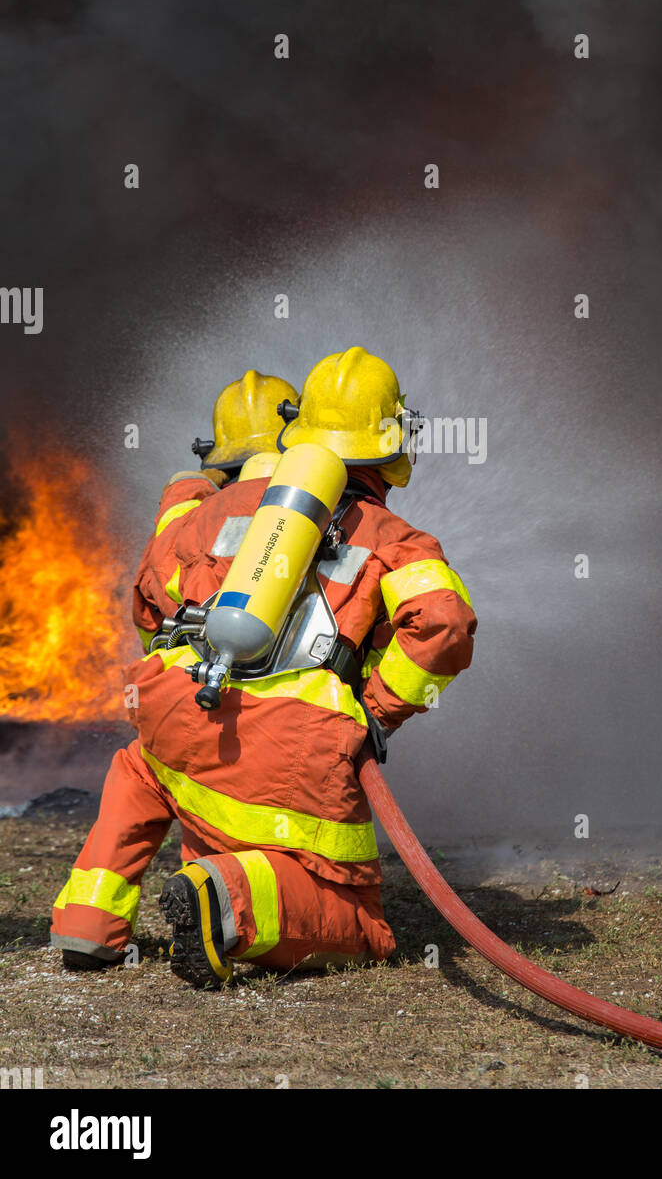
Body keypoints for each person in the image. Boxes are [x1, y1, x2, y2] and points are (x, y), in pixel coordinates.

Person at [51, 349, 477, 987]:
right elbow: (445, 626)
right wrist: (378, 710)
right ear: (391, 441)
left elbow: (148, 600)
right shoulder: (394, 537)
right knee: (361, 920)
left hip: (180, 704)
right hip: (293, 741)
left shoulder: (211, 512)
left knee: (141, 769)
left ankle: (87, 923)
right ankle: (226, 900)